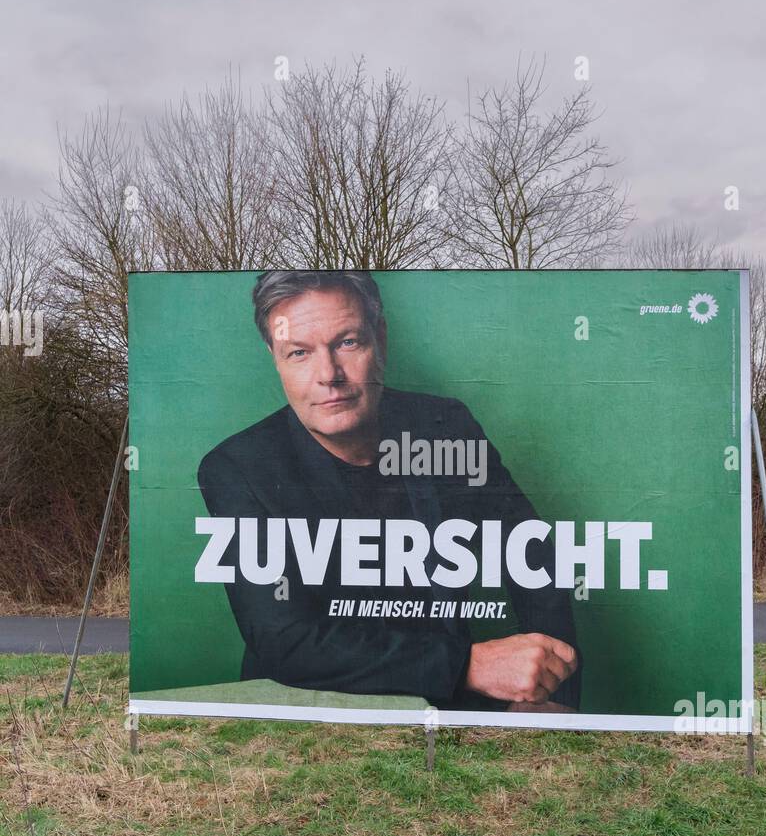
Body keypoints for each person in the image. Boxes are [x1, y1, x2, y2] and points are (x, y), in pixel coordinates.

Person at [197, 270, 581, 711]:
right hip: (307, 717)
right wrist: (468, 666)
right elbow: (283, 641)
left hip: (451, 706)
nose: (329, 375)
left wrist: (553, 691)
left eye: (347, 342)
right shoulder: (235, 468)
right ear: (274, 356)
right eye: (299, 352)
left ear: (380, 337)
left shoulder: (444, 424)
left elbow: (534, 561)